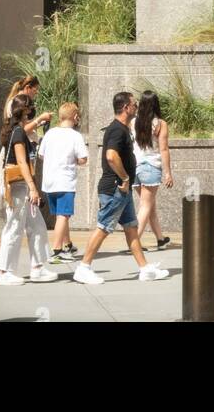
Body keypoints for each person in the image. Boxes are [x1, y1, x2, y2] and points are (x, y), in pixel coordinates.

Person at [74, 91, 169, 285]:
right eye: (134, 104)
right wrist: (124, 177)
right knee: (103, 227)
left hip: (121, 190)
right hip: (114, 188)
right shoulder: (117, 130)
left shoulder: (123, 128)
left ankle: (144, 269)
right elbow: (111, 155)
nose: (137, 107)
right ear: (126, 107)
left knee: (132, 229)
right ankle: (83, 267)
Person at [0, 96, 56, 286]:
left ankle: (37, 267)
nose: (34, 111)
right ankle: (3, 271)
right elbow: (21, 161)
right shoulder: (19, 132)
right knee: (14, 227)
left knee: (37, 225)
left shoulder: (15, 130)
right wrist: (32, 187)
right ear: (25, 111)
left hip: (22, 186)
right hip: (19, 186)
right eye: (32, 108)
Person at [38, 102, 88, 262]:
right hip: (65, 181)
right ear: (75, 117)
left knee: (61, 215)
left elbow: (41, 155)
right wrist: (73, 160)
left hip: (49, 182)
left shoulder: (50, 134)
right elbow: (83, 159)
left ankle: (67, 245)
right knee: (63, 215)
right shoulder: (75, 136)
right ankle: (57, 250)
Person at [132, 90, 174, 250]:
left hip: (135, 168)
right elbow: (163, 149)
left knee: (150, 206)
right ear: (156, 104)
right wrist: (168, 172)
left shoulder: (133, 122)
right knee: (145, 207)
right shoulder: (160, 124)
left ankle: (160, 239)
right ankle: (134, 242)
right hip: (150, 167)